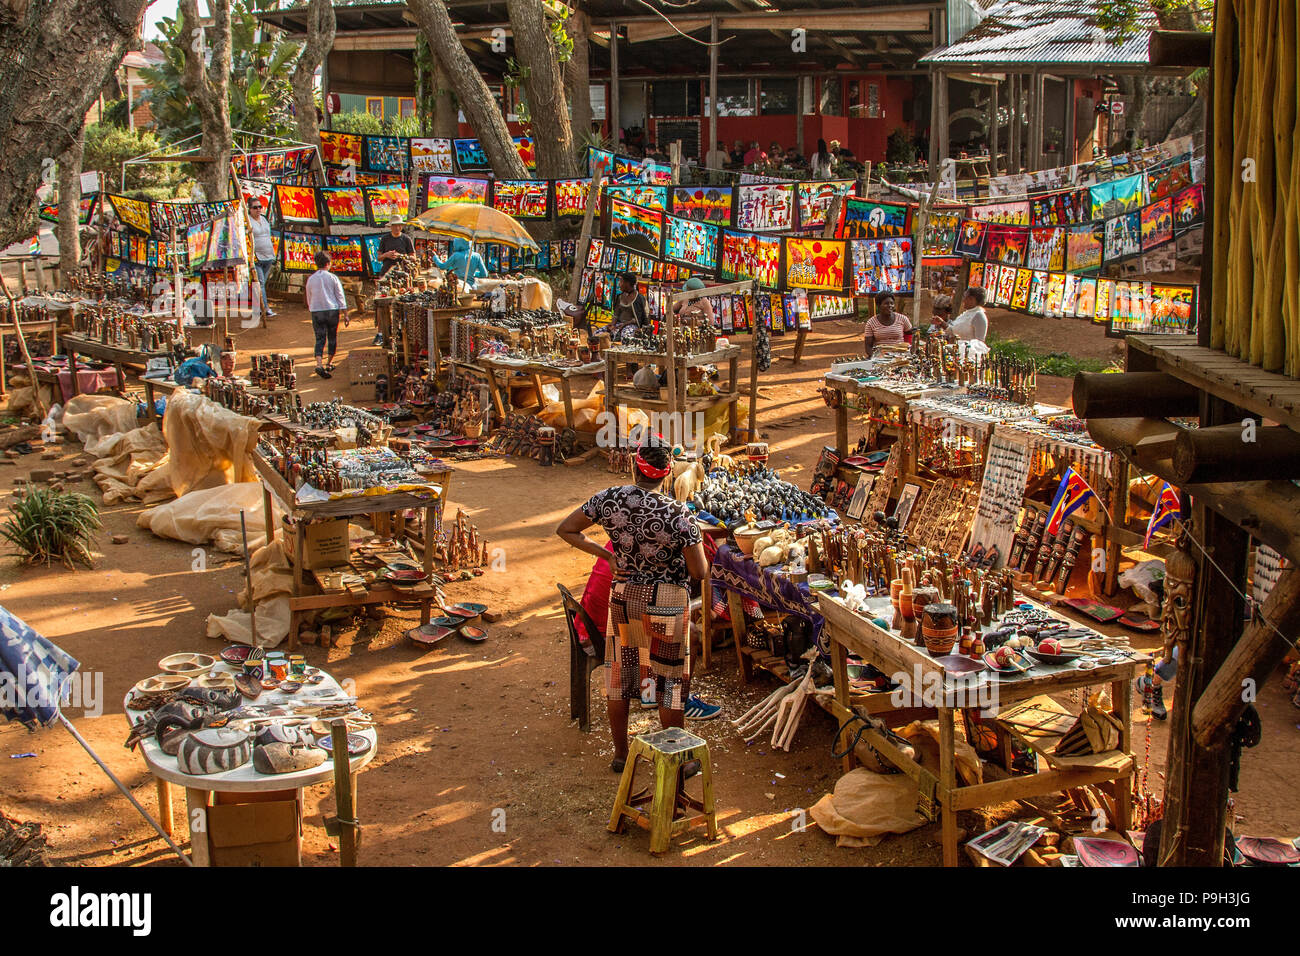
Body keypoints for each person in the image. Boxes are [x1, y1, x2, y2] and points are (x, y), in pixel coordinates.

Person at [556, 436, 713, 772]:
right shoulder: (678, 514)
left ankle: (621, 755)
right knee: (669, 680)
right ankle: (676, 756)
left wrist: (609, 556)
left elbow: (567, 529)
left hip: (625, 597)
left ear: (634, 466)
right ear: (667, 473)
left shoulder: (609, 499)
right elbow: (699, 571)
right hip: (667, 601)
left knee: (621, 677)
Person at [576, 539, 722, 722]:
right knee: (688, 633)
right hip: (603, 638)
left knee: (649, 619)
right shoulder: (654, 538)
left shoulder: (624, 529)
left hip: (589, 629)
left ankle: (650, 691)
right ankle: (680, 701)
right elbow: (700, 571)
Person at [305, 250, 348, 379]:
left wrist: (312, 308)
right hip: (332, 311)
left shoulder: (311, 279)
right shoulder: (333, 278)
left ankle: (319, 363)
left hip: (316, 311)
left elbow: (309, 297)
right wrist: (345, 313)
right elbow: (340, 296)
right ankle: (329, 363)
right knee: (332, 337)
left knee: (319, 338)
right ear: (328, 264)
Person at [246, 197, 276, 317]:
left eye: (260, 207)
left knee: (260, 283)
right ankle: (266, 308)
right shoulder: (248, 221)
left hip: (268, 256)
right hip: (256, 257)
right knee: (260, 283)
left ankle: (257, 307)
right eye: (255, 207)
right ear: (250, 209)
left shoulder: (264, 219)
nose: (258, 209)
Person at [609, 271, 649, 342]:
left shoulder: (639, 299)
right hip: (619, 324)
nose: (619, 284)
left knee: (625, 337)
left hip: (632, 325)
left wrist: (624, 325)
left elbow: (640, 319)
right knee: (599, 333)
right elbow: (616, 314)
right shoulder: (620, 297)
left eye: (621, 281)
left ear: (627, 283)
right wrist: (612, 325)